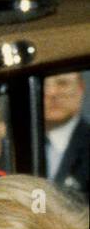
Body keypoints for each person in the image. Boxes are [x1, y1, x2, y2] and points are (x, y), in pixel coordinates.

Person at [44, 71, 89, 203]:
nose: (52, 92)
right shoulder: (10, 147)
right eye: (43, 85)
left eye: (62, 83)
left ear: (81, 88)